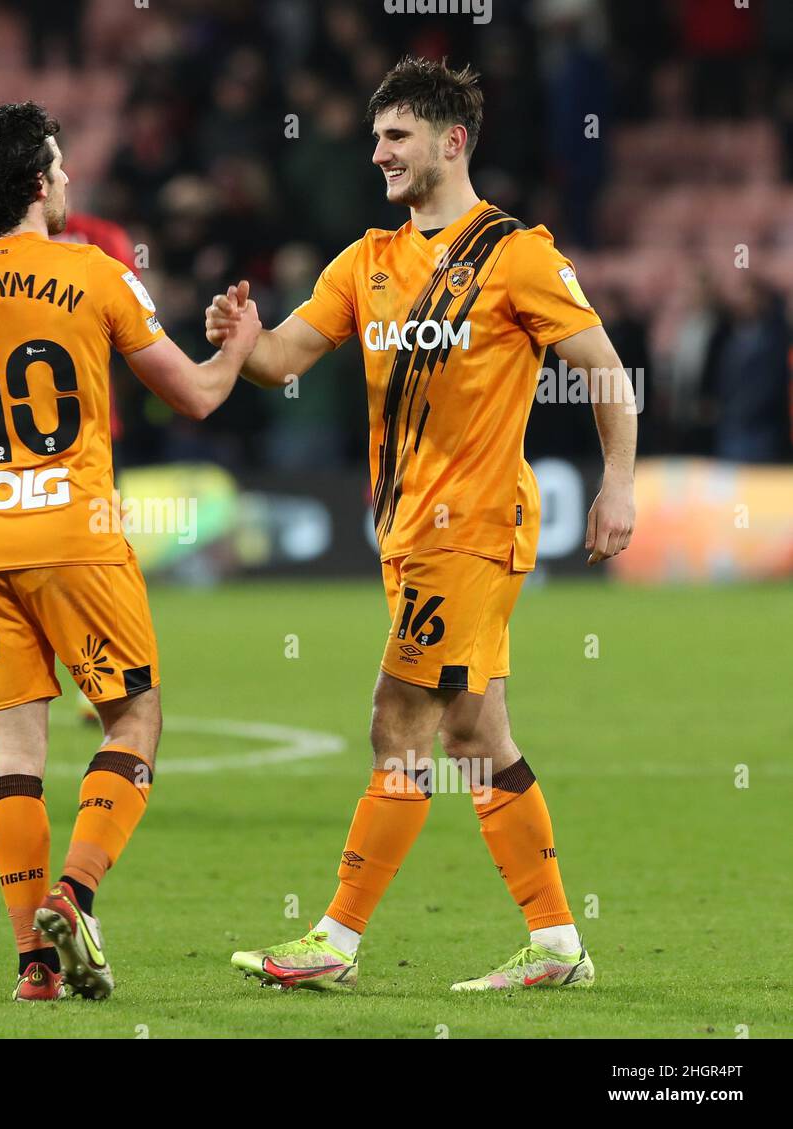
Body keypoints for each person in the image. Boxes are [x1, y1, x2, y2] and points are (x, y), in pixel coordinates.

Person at [207, 57, 637, 992]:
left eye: (396, 136)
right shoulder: (367, 262)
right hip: (406, 536)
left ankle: (335, 937)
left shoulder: (515, 253)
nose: (378, 154)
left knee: (395, 719)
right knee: (477, 736)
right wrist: (244, 346)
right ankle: (558, 942)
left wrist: (618, 484)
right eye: (374, 138)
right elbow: (286, 357)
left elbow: (605, 367)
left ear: (452, 141)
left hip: (473, 530)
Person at [0, 102, 260, 1001]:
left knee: (14, 750)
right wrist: (238, 347)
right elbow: (198, 397)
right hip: (79, 540)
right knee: (134, 719)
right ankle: (77, 893)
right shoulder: (97, 273)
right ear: (40, 182)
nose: (68, 176)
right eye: (58, 162)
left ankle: (33, 966)